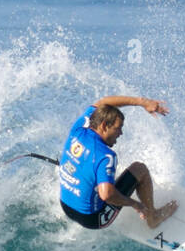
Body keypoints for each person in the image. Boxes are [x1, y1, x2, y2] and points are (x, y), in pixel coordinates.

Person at [58, 95, 177, 230]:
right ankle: (153, 218)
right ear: (103, 126)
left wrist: (142, 102)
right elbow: (106, 195)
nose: (120, 133)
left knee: (92, 172)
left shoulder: (79, 128)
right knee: (139, 169)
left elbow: (103, 103)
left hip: (65, 206)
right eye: (118, 128)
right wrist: (136, 205)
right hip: (92, 219)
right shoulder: (106, 156)